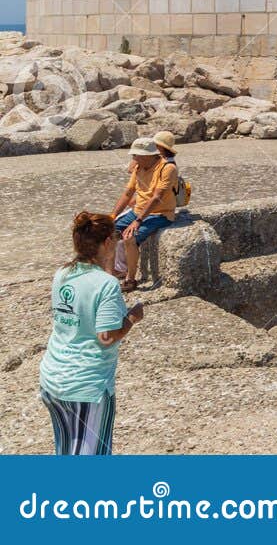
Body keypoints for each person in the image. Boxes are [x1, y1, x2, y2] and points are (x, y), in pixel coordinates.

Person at [39, 211, 144, 454]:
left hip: (53, 379)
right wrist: (132, 317)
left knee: (66, 451)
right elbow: (106, 337)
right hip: (85, 386)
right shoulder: (106, 285)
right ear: (107, 243)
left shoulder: (62, 273)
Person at [108, 137, 177, 290]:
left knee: (129, 238)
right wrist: (112, 216)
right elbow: (128, 193)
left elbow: (157, 198)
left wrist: (138, 221)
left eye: (136, 155)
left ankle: (131, 280)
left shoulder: (167, 168)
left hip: (160, 214)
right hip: (138, 210)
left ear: (149, 155)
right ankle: (111, 271)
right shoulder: (139, 167)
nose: (133, 158)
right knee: (108, 231)